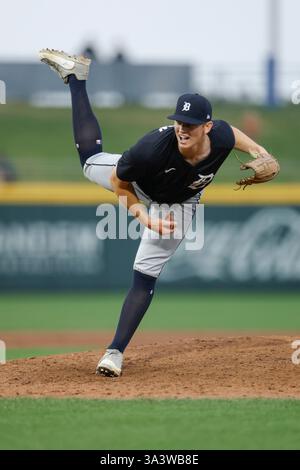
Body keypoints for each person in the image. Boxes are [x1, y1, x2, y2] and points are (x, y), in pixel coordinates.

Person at [39, 49, 274, 378]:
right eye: (179, 121)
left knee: (145, 272)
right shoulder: (149, 150)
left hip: (181, 202)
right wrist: (144, 218)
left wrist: (260, 151)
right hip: (138, 183)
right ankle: (77, 80)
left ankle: (114, 352)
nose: (183, 128)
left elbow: (233, 133)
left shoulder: (219, 135)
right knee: (91, 162)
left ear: (206, 126)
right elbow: (121, 184)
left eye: (190, 124)